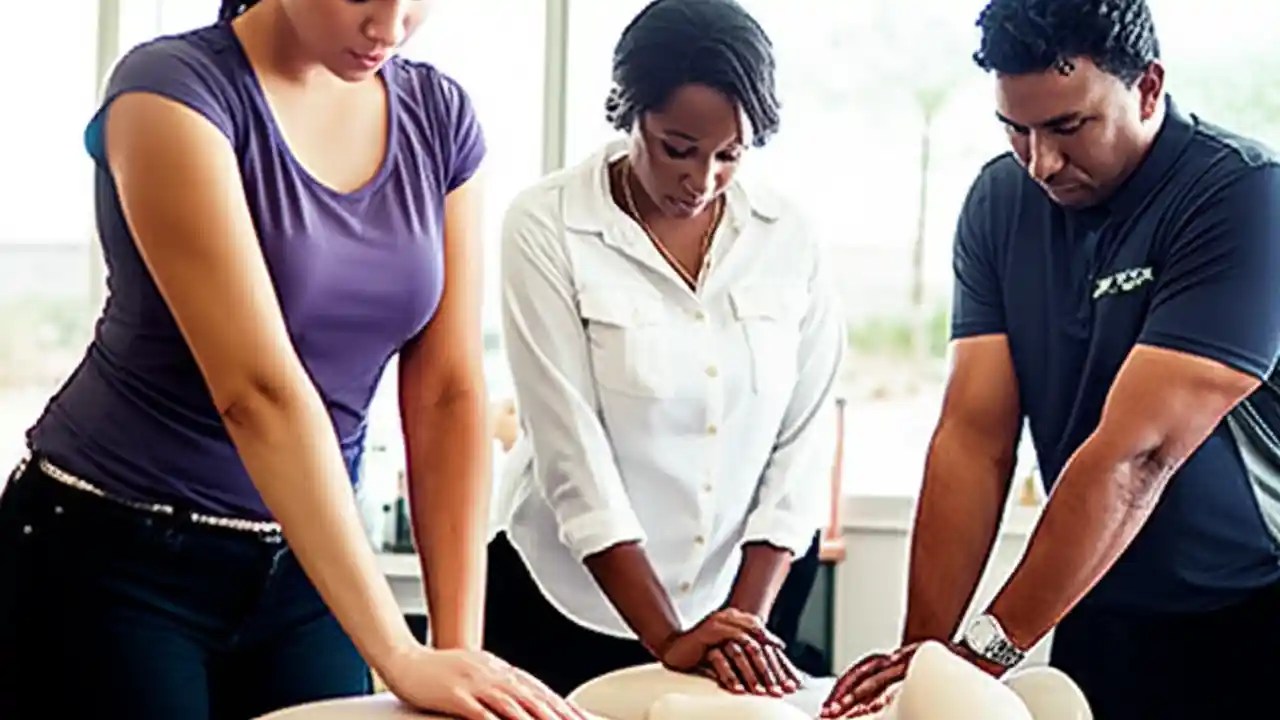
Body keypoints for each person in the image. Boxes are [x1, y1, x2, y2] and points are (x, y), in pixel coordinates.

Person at [0, 2, 580, 719]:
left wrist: (456, 653)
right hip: (114, 556)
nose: (390, 26)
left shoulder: (439, 117)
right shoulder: (168, 91)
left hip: (308, 569)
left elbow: (448, 392)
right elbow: (257, 392)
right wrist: (397, 655)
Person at [822, 1, 1280, 718]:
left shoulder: (1245, 195)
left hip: (1251, 606)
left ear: (1148, 88)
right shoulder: (998, 203)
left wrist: (983, 655)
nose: (1042, 162)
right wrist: (925, 659)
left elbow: (1140, 455)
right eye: (1016, 129)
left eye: (1069, 127)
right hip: (1098, 602)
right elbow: (973, 439)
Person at [485, 0, 846, 699]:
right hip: (560, 605)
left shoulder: (787, 236)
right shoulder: (546, 224)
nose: (701, 181)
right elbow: (570, 449)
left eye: (729, 155)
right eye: (677, 148)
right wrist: (667, 640)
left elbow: (801, 445)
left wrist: (740, 627)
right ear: (629, 113)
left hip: (732, 601)